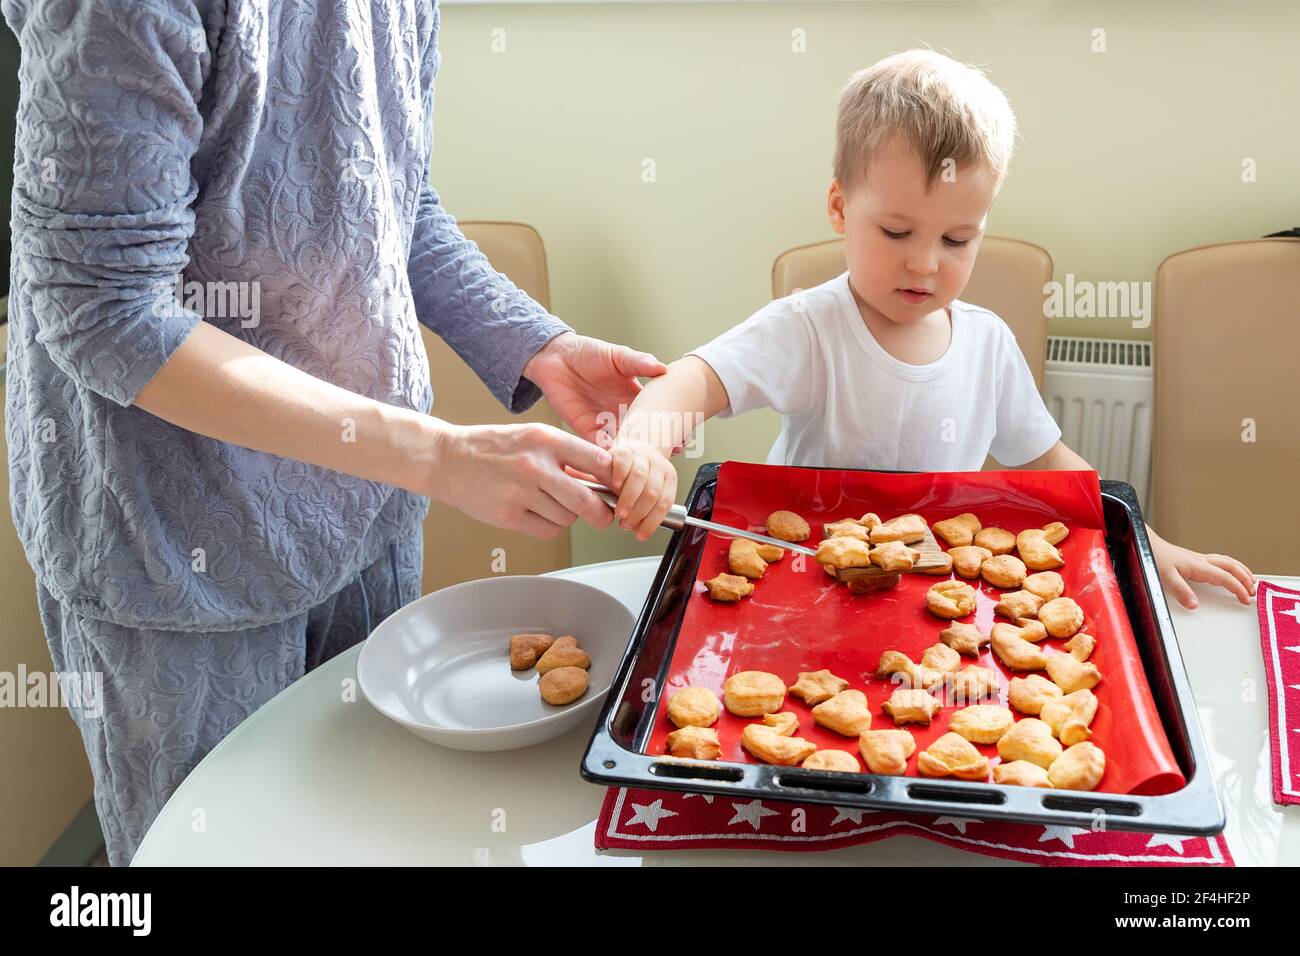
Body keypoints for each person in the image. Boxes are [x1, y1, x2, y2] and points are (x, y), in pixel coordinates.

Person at [2, 0, 663, 865]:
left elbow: (400, 202)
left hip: (362, 520)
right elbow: (105, 309)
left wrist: (537, 345)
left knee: (368, 837)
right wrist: (438, 454)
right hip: (175, 548)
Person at [606, 49, 1255, 612]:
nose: (924, 262)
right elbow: (691, 383)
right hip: (800, 583)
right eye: (896, 232)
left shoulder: (988, 344)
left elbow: (1052, 464)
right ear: (839, 207)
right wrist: (641, 443)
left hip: (931, 593)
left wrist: (1143, 538)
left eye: (957, 238)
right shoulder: (808, 329)